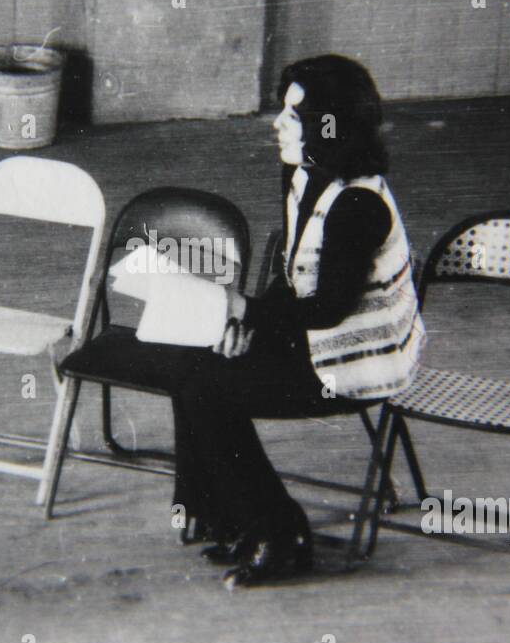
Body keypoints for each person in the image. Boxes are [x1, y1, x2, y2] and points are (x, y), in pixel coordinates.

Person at [171, 54, 425, 589]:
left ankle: (281, 534)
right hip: (315, 341)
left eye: (294, 116)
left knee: (210, 391)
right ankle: (232, 518)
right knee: (195, 361)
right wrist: (250, 324)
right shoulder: (305, 173)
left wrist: (248, 311)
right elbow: (294, 278)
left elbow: (329, 307)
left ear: (330, 125)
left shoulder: (358, 202)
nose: (278, 124)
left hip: (353, 362)